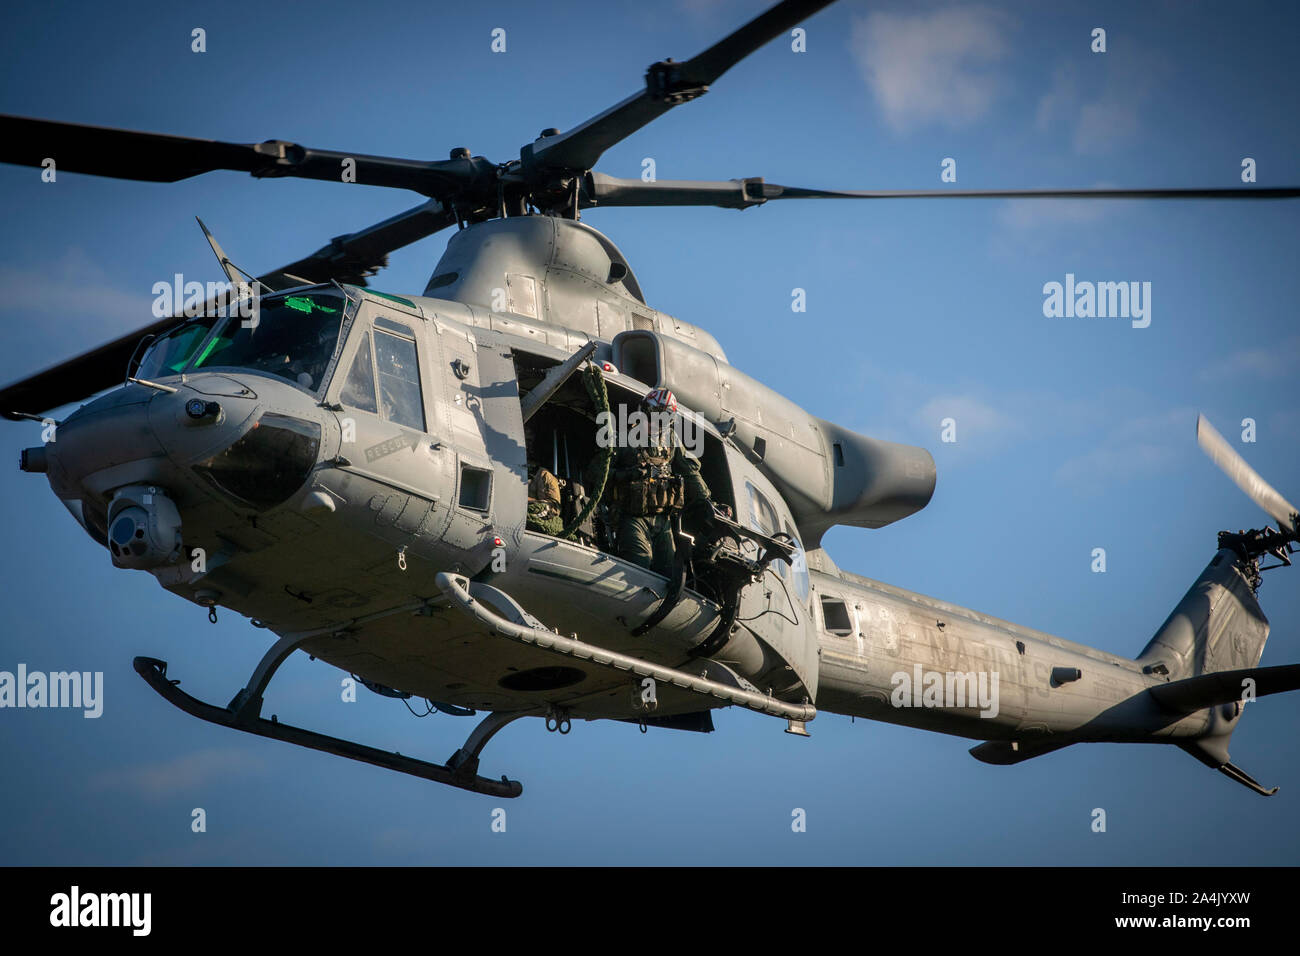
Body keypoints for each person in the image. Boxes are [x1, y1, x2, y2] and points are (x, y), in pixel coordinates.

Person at [607, 388, 710, 576]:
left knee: (669, 571)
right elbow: (597, 473)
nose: (657, 422)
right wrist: (628, 474)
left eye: (664, 417)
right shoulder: (622, 439)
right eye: (655, 415)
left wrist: (709, 503)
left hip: (662, 521)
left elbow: (690, 473)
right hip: (632, 516)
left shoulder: (672, 440)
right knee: (639, 563)